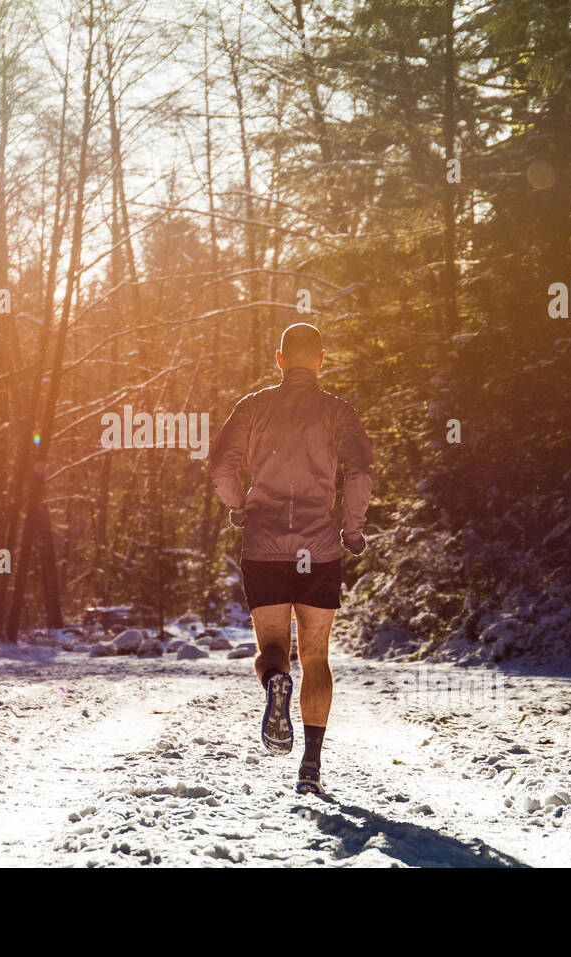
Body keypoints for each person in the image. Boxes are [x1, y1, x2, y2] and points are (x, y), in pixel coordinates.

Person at [207, 322, 375, 795]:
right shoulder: (339, 412)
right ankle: (311, 767)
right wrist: (353, 530)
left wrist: (241, 507)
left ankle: (276, 680)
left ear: (279, 359)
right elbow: (360, 473)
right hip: (318, 549)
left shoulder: (253, 407)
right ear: (321, 359)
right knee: (317, 657)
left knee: (271, 650)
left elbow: (221, 467)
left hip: (265, 547)